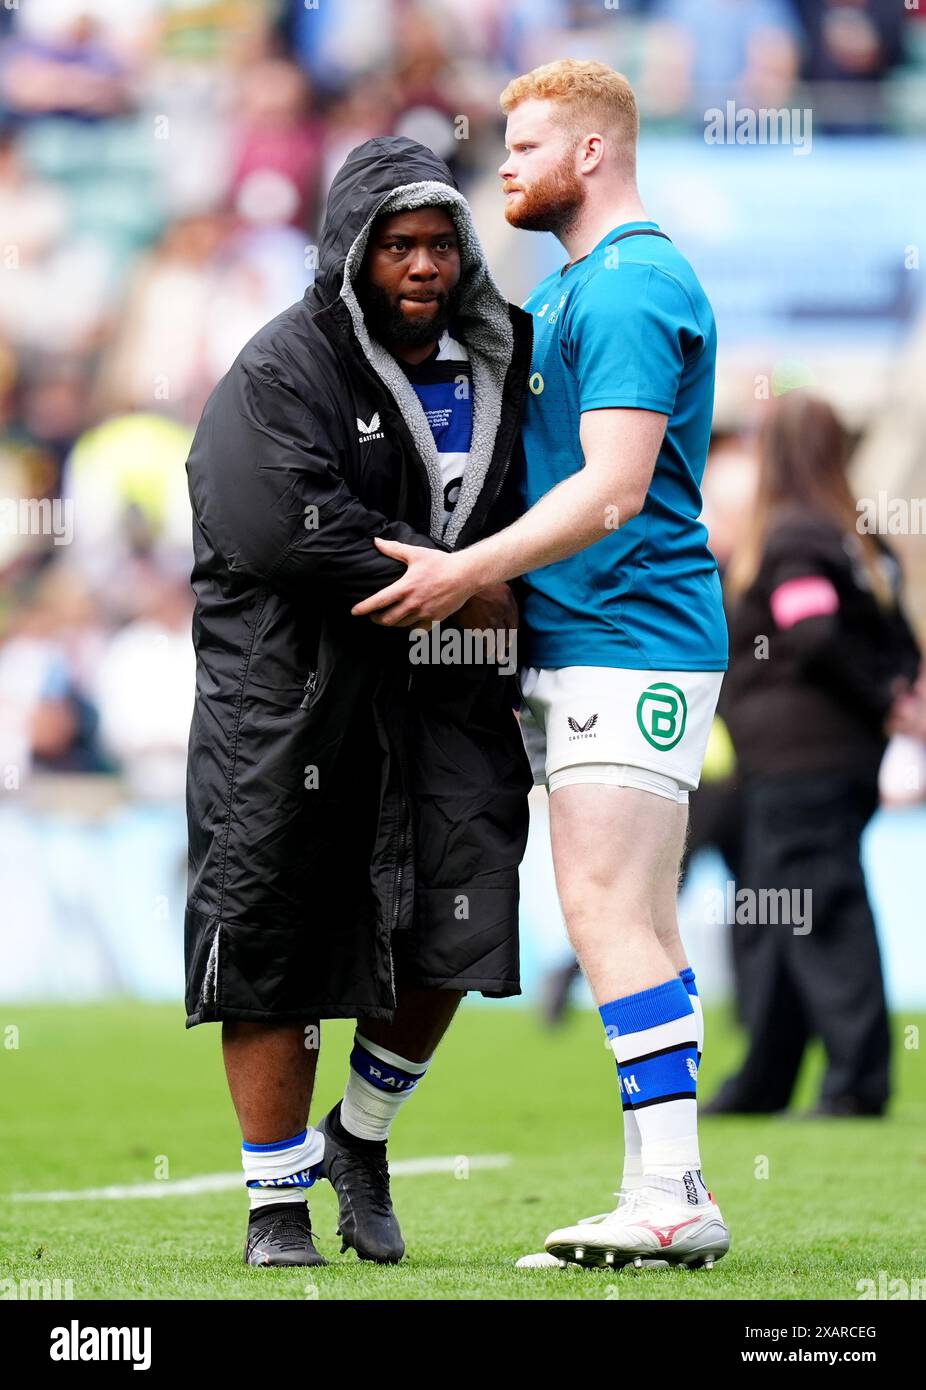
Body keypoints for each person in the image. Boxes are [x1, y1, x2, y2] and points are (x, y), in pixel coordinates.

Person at [354, 60, 731, 1270]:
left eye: (523, 144)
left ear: (589, 153)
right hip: (612, 642)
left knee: (607, 907)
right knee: (639, 916)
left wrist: (464, 573)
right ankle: (666, 1187)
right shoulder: (581, 285)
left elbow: (615, 489)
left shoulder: (626, 287)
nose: (500, 164)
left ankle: (669, 1194)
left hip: (630, 635)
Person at [184, 135, 533, 1268]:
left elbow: (554, 503)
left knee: (462, 908)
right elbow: (282, 520)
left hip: (450, 700)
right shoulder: (283, 364)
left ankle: (361, 1133)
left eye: (440, 244)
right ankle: (275, 1204)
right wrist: (457, 586)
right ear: (349, 252)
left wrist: (499, 596)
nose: (423, 266)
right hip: (292, 699)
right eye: (397, 246)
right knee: (280, 937)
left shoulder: (504, 358)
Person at [705, 390, 923, 1118]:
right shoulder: (857, 537)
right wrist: (897, 691)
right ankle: (765, 1079)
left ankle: (858, 1082)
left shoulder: (794, 534)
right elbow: (896, 634)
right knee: (774, 916)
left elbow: (815, 635)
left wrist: (879, 695)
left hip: (802, 762)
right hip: (829, 761)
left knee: (818, 915)